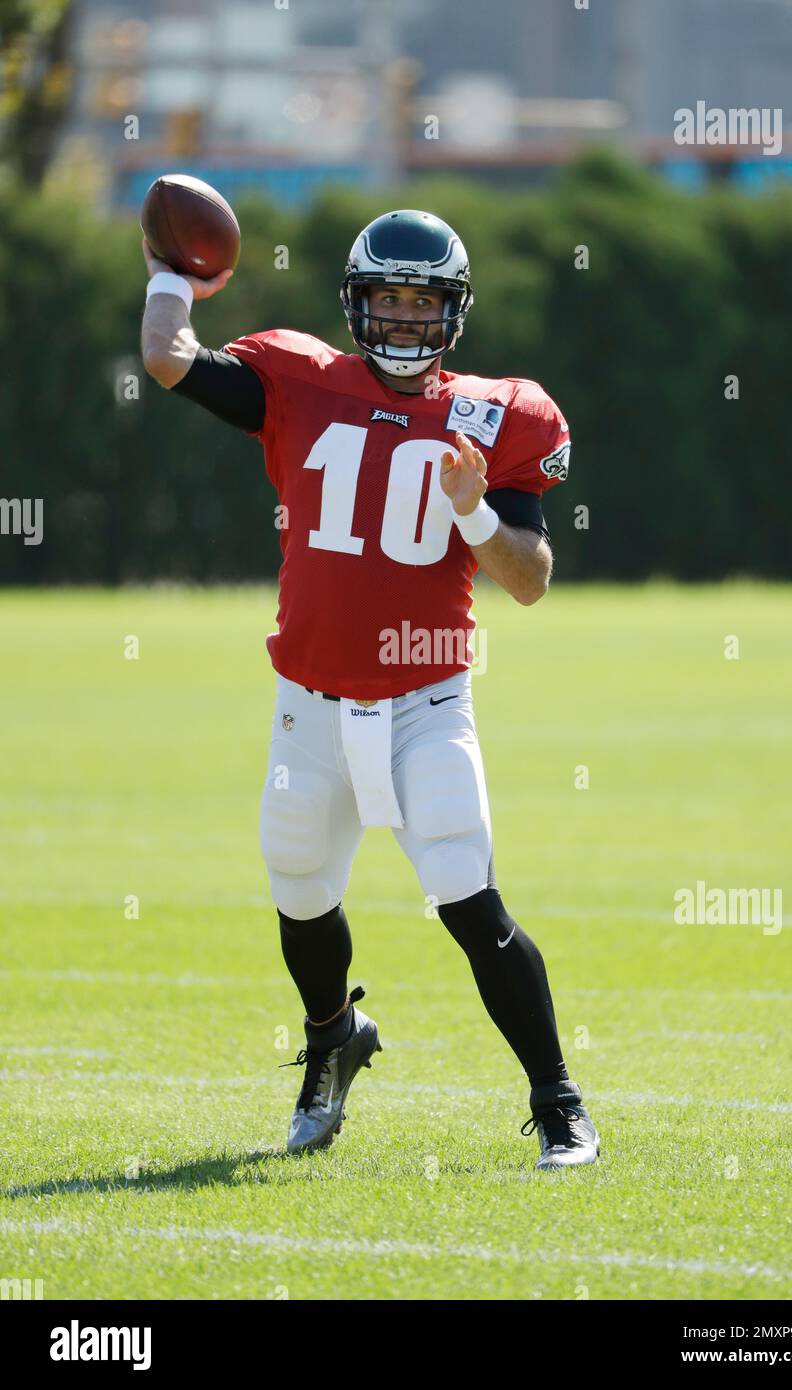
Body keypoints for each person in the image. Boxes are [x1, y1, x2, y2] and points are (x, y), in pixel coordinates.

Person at [140, 207, 599, 1170]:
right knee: (301, 891)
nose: (401, 320)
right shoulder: (301, 379)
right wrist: (169, 272)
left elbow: (531, 578)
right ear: (355, 303)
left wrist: (474, 510)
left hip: (427, 701)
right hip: (308, 701)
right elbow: (170, 358)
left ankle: (560, 1103)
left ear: (453, 313)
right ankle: (331, 1040)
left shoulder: (494, 414)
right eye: (386, 300)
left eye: (420, 303)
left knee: (466, 893)